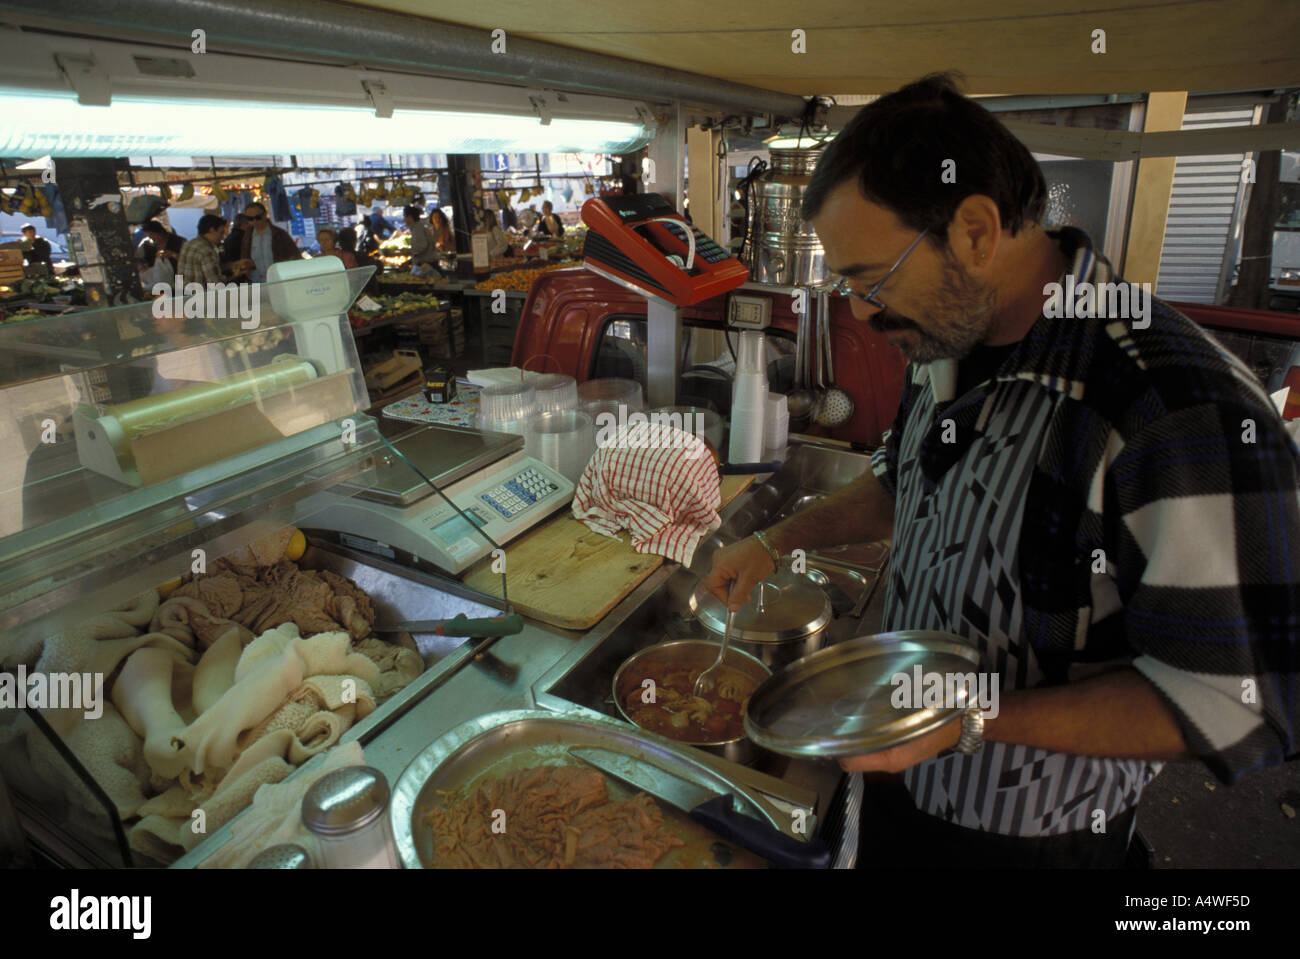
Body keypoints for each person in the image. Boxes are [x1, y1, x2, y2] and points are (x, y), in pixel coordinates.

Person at [703, 73, 1300, 868]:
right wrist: (774, 542)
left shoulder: (1178, 407)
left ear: (977, 230)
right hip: (894, 786)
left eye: (869, 279)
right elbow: (899, 481)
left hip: (1034, 838)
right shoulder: (945, 340)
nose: (859, 313)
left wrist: (972, 717)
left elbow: (1243, 696)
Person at [238, 201, 303, 282]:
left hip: (279, 281)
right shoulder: (247, 236)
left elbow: (295, 256)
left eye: (258, 218)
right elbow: (244, 258)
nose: (254, 221)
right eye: (250, 219)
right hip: (256, 282)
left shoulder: (280, 234)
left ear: (265, 215)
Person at [179, 213, 252, 285]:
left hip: (185, 294)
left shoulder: (188, 244)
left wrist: (234, 264)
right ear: (212, 230)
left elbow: (212, 267)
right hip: (202, 294)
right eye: (221, 232)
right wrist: (236, 275)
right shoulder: (206, 250)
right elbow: (216, 283)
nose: (222, 237)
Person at [404, 205, 441, 276]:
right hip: (426, 265)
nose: (404, 219)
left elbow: (422, 246)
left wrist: (408, 251)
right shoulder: (417, 228)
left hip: (427, 266)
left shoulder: (418, 230)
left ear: (410, 217)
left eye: (405, 216)